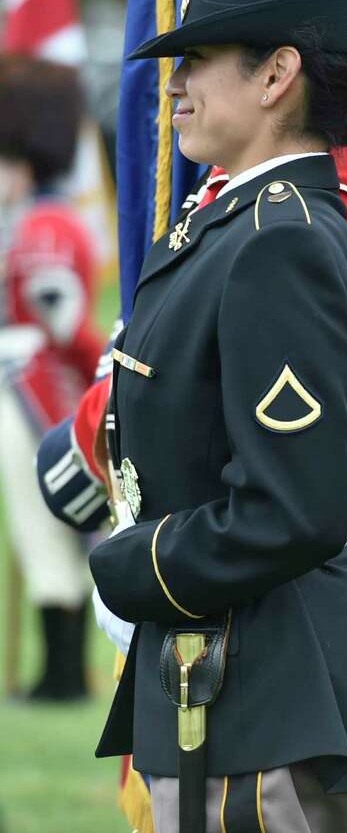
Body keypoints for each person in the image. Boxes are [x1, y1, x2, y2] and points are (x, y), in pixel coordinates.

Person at [40, 0, 347, 828]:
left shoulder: (329, 144)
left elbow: (269, 359)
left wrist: (102, 476)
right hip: (341, 539)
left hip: (299, 562)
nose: (188, 13)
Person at [88, 0, 347, 833]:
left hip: (255, 688)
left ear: (276, 75)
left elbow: (291, 506)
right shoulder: (237, 220)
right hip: (228, 674)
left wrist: (133, 564)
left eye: (197, 59)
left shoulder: (280, 242)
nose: (176, 85)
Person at [0, 55, 104, 702]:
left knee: (44, 533)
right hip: (29, 383)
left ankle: (62, 676)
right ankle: (58, 670)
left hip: (34, 391)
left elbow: (65, 327)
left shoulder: (43, 227)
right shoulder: (41, 220)